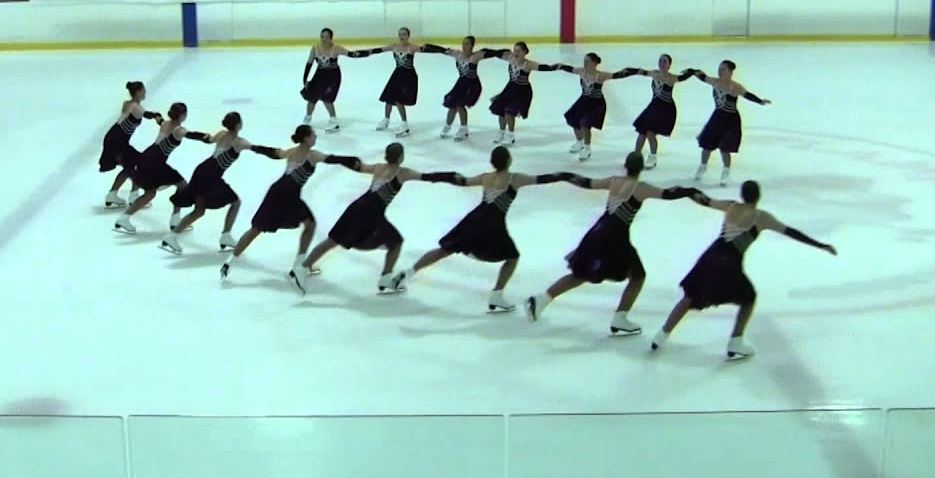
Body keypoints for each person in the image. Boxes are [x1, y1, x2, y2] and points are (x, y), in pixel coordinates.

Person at [650, 180, 837, 360]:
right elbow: (791, 232)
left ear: (742, 195)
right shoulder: (761, 217)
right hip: (729, 262)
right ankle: (735, 342)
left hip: (711, 256)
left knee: (690, 297)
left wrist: (686, 190)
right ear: (758, 196)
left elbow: (703, 199)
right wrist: (821, 245)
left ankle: (661, 336)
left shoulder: (730, 206)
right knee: (749, 298)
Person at [523, 153, 703, 334]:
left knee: (582, 274)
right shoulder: (641, 188)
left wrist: (564, 175)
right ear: (641, 168)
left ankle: (540, 300)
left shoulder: (613, 181)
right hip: (615, 237)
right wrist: (691, 191)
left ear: (625, 166)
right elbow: (669, 194)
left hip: (598, 231)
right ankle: (620, 318)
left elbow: (585, 182)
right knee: (637, 276)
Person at [385, 146, 579, 311]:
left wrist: (446, 176)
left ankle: (408, 272)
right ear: (509, 161)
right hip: (492, 223)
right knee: (512, 257)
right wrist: (565, 176)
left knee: (445, 250)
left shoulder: (486, 178)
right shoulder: (515, 178)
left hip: (474, 218)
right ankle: (497, 295)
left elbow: (463, 181)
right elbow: (543, 179)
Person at [295, 142, 465, 294]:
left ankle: (304, 266)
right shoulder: (402, 173)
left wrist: (347, 160)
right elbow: (428, 177)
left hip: (358, 206)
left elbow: (359, 167)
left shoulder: (378, 168)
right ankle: (385, 278)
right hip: (372, 211)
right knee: (396, 242)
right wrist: (450, 176)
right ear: (401, 157)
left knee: (333, 240)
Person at [219, 125, 362, 289]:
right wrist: (352, 160)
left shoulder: (291, 152)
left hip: (276, 190)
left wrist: (256, 148)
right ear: (306, 138)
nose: (315, 137)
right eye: (313, 135)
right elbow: (333, 159)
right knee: (310, 224)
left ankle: (229, 262)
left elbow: (273, 153)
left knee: (257, 228)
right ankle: (299, 266)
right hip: (289, 192)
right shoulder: (312, 155)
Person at [160, 112, 252, 254]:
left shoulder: (221, 134)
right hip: (211, 175)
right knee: (235, 202)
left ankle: (172, 236)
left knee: (199, 210)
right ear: (238, 125)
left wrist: (198, 135)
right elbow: (256, 148)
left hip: (203, 170)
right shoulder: (239, 142)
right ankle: (225, 236)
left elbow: (208, 139)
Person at [113, 103, 214, 234]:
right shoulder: (179, 130)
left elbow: (159, 120)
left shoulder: (165, 123)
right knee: (182, 185)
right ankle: (175, 220)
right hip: (156, 162)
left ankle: (124, 218)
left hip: (147, 157)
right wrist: (206, 137)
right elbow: (191, 135)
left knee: (150, 193)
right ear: (183, 115)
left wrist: (157, 116)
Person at [550, 52, 644, 160]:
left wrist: (636, 71)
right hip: (583, 100)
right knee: (572, 119)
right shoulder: (581, 71)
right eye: (584, 61)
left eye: (587, 61)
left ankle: (587, 148)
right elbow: (567, 68)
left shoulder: (600, 76)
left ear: (594, 63)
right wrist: (555, 66)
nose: (585, 63)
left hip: (596, 104)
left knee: (585, 124)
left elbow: (618, 75)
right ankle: (580, 142)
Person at [691, 61, 770, 186]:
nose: (720, 71)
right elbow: (702, 76)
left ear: (730, 72)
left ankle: (726, 172)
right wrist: (692, 71)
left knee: (725, 148)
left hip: (730, 120)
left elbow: (747, 95)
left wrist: (760, 101)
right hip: (717, 117)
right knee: (707, 145)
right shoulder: (715, 81)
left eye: (723, 69)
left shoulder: (735, 87)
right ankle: (703, 166)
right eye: (719, 68)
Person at [299, 28, 383, 133]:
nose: (324, 39)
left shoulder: (336, 48)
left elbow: (352, 54)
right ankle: (308, 117)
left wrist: (370, 52)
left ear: (331, 38)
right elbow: (309, 64)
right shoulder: (315, 48)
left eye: (326, 37)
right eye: (322, 36)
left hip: (333, 76)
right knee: (312, 97)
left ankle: (333, 120)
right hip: (319, 75)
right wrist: (305, 80)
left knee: (327, 98)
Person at [101, 81, 163, 208]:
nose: (145, 92)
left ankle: (116, 194)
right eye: (143, 90)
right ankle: (132, 195)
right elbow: (147, 114)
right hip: (117, 141)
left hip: (115, 138)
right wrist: (157, 117)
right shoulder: (136, 107)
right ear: (138, 92)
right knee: (138, 163)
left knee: (132, 165)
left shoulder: (127, 103)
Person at [428, 36, 500, 140]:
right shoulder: (457, 54)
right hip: (461, 83)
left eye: (467, 44)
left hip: (472, 85)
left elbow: (492, 53)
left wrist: (506, 53)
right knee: (452, 104)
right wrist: (427, 46)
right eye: (463, 43)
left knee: (460, 104)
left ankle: (464, 129)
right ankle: (447, 126)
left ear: (472, 46)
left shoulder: (476, 56)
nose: (464, 46)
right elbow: (441, 50)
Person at [631, 54, 696, 168]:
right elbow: (640, 71)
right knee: (642, 131)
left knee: (650, 133)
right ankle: (636, 156)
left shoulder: (671, 78)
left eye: (665, 61)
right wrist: (628, 71)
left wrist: (692, 71)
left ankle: (653, 157)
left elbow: (683, 77)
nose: (662, 63)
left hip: (665, 110)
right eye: (660, 61)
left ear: (669, 65)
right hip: (653, 106)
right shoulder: (654, 73)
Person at [488, 42, 557, 145]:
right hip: (510, 88)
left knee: (509, 112)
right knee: (501, 110)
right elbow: (495, 53)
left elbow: (544, 67)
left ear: (524, 52)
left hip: (522, 92)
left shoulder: (528, 64)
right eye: (515, 50)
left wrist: (558, 67)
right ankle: (501, 132)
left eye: (519, 51)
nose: (516, 53)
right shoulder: (510, 58)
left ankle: (510, 135)